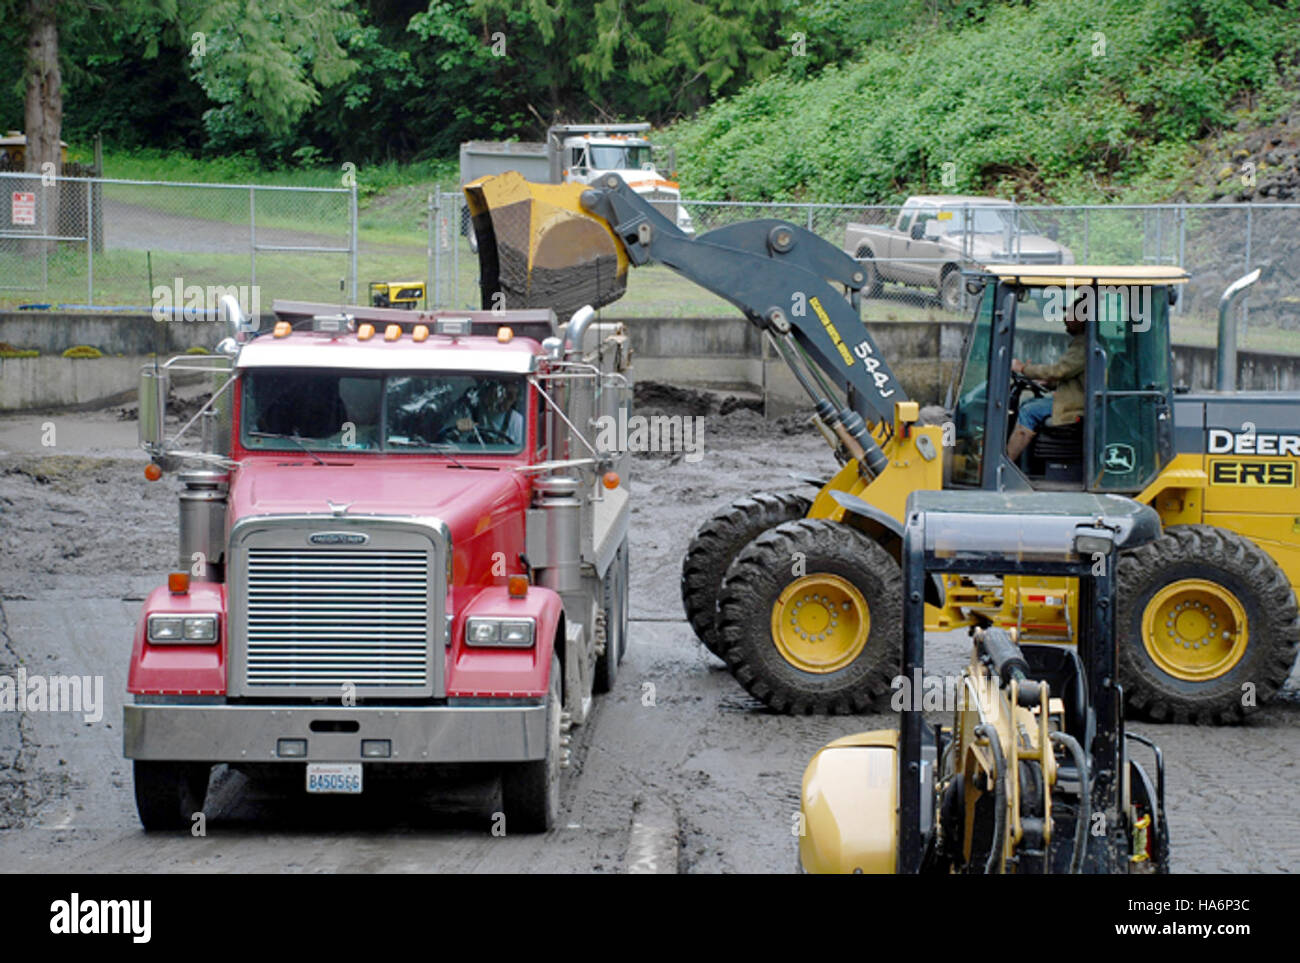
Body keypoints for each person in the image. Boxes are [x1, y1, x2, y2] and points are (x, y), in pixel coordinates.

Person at [1006, 290, 1088, 461]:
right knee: (1028, 404)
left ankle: (1006, 463)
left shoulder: (1084, 345)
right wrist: (1048, 383)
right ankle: (1024, 461)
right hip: (1076, 399)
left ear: (1081, 318)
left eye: (1069, 314)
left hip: (1076, 405)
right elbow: (1071, 377)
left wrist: (1023, 368)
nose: (1065, 318)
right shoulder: (1083, 343)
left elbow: (1059, 371)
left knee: (1028, 411)